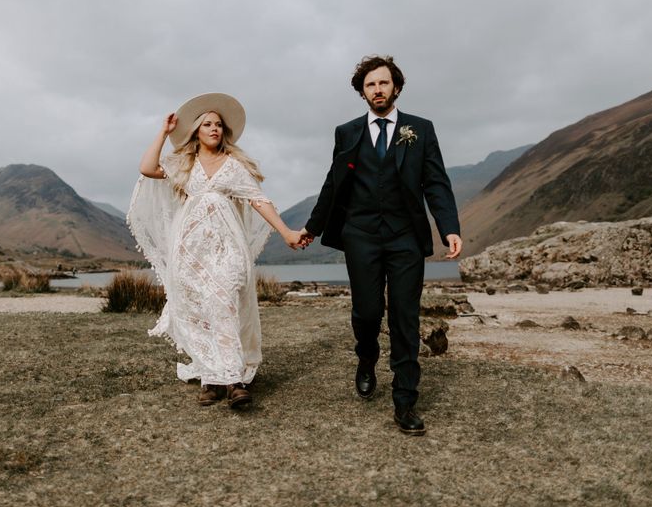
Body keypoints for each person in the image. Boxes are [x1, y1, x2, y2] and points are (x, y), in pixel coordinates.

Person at [300, 56, 462, 435]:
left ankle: (405, 401)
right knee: (368, 313)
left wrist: (448, 227)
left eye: (384, 83)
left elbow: (435, 182)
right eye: (370, 85)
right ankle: (367, 356)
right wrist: (312, 226)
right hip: (361, 235)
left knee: (405, 316)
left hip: (406, 236)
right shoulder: (347, 132)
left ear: (396, 88)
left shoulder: (420, 129)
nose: (378, 90)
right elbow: (333, 183)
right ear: (362, 92)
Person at [128, 93, 304, 409]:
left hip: (228, 247)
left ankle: (235, 380)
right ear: (196, 130)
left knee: (226, 302)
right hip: (191, 249)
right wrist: (164, 133)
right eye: (207, 124)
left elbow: (259, 200)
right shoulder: (183, 164)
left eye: (219, 125)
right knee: (201, 309)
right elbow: (146, 167)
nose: (214, 129)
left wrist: (287, 232)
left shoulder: (234, 166)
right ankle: (212, 378)